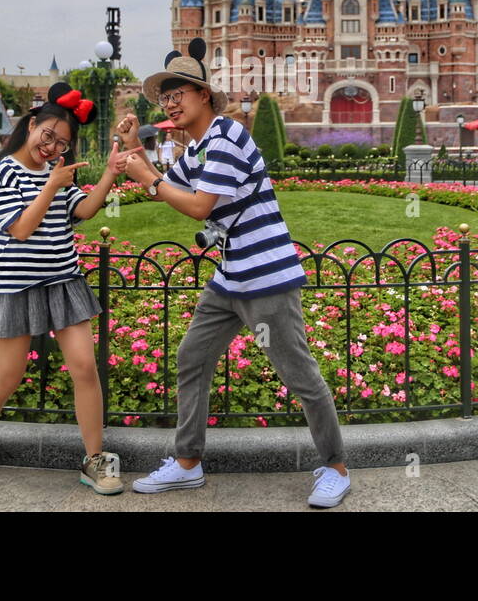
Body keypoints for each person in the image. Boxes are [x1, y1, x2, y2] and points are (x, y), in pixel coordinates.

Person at [115, 37, 351, 508]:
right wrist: (131, 148)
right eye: (164, 97)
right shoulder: (199, 148)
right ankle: (187, 463)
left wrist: (148, 177)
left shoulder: (227, 136)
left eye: (177, 92)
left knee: (299, 375)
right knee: (192, 358)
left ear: (204, 94)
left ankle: (335, 467)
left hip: (265, 277)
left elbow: (197, 205)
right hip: (230, 278)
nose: (169, 103)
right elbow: (165, 187)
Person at [0, 83, 135, 495]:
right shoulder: (4, 171)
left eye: (62, 143)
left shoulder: (55, 172)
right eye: (49, 135)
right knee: (6, 376)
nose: (53, 146)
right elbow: (21, 228)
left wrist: (109, 173)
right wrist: (51, 185)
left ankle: (93, 460)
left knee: (85, 368)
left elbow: (84, 211)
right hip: (16, 287)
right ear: (32, 124)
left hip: (63, 281)